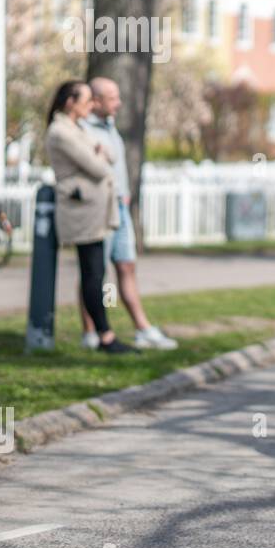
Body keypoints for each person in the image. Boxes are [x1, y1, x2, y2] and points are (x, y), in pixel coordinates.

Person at [79, 78, 178, 350]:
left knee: (126, 265)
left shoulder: (110, 127)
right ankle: (91, 332)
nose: (119, 103)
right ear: (96, 100)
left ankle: (142, 328)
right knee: (94, 272)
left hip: (120, 207)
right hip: (100, 209)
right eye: (112, 98)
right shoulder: (83, 129)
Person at [45, 80, 136, 354]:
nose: (90, 106)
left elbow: (107, 155)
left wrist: (100, 154)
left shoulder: (74, 129)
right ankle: (103, 336)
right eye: (86, 101)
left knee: (95, 272)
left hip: (93, 209)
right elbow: (97, 167)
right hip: (82, 212)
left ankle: (102, 333)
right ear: (70, 102)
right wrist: (98, 155)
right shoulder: (61, 131)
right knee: (93, 273)